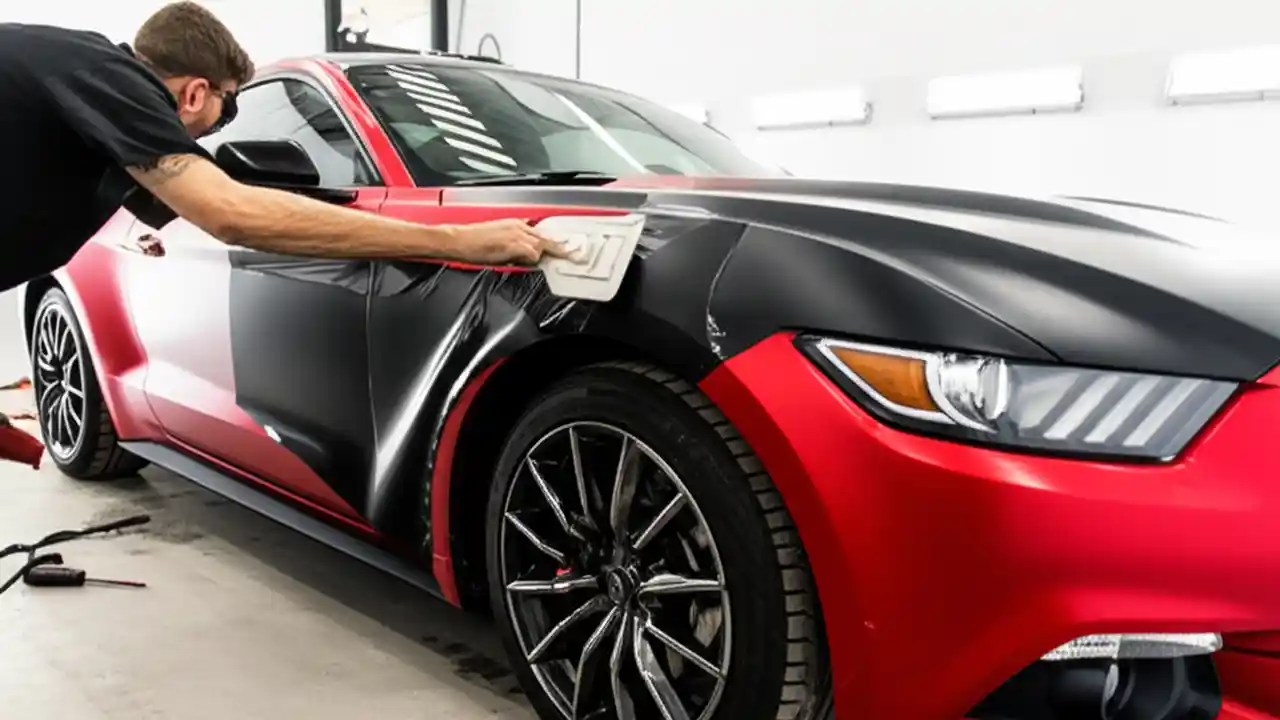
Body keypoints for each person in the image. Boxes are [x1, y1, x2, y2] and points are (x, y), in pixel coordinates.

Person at [0, 2, 572, 431]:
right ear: (196, 94)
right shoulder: (110, 79)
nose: (216, 132)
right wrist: (459, 240)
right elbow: (229, 212)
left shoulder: (84, 94)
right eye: (229, 110)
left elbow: (226, 195)